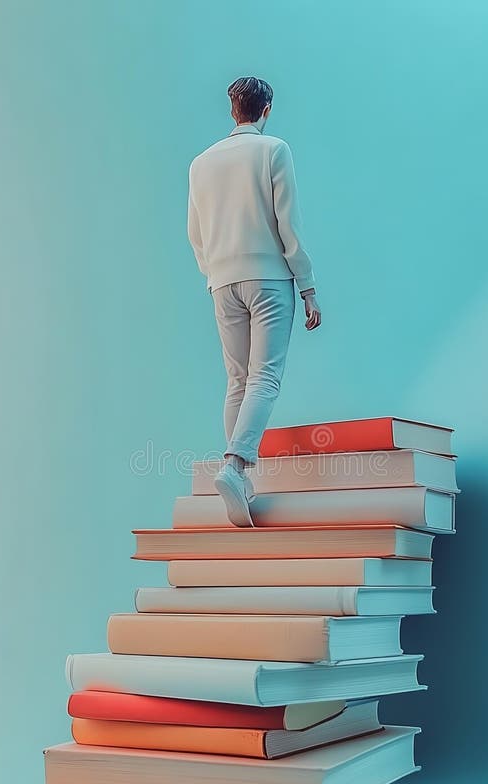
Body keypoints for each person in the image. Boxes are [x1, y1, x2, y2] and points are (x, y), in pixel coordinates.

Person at [187, 76, 321, 527]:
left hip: (222, 281)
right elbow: (290, 225)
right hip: (268, 276)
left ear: (232, 111)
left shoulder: (200, 163)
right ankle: (235, 465)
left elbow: (195, 234)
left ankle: (239, 482)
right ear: (266, 110)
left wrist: (214, 274)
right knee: (265, 379)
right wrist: (308, 287)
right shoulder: (273, 150)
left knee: (237, 380)